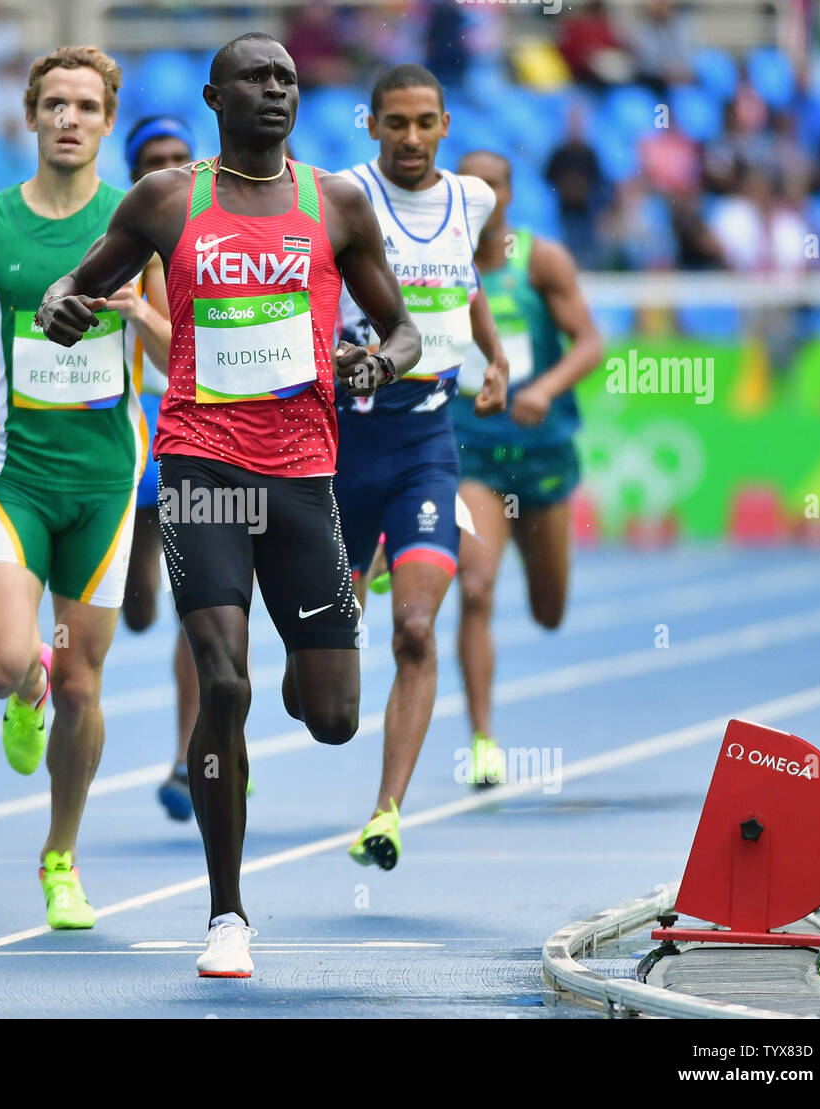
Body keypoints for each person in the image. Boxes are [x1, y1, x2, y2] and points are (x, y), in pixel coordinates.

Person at [36, 33, 478, 977]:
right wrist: (61, 305)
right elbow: (78, 285)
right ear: (214, 96)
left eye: (286, 79)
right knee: (223, 684)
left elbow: (403, 331)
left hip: (305, 476)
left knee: (331, 717)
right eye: (255, 78)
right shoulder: (168, 200)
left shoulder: (337, 203)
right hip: (202, 467)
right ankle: (227, 912)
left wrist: (375, 359)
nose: (275, 91)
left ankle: (301, 659)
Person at [0, 46, 165, 929]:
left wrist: (141, 313)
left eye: (85, 106)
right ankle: (27, 692)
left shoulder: (139, 225)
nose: (68, 118)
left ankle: (61, 856)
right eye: (54, 104)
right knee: (1, 663)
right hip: (14, 478)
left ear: (106, 120)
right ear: (30, 116)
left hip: (104, 483)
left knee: (87, 684)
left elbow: (182, 354)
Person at [330, 65, 509, 874]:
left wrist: (495, 356)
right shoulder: (340, 195)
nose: (409, 138)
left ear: (444, 125)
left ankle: (387, 811)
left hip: (426, 440)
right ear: (371, 125)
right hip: (338, 441)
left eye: (424, 123)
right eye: (394, 123)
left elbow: (465, 287)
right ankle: (335, 620)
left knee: (413, 629)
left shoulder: (472, 198)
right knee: (319, 685)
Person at [451, 150, 604, 787]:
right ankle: (483, 740)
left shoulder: (542, 260)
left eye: (495, 185)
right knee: (476, 587)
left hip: (541, 459)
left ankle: (540, 602)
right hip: (472, 456)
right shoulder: (437, 262)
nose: (484, 195)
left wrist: (544, 388)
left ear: (511, 194)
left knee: (549, 611)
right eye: (471, 186)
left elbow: (592, 342)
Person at [116, 115, 206, 821]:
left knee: (196, 605)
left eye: (181, 156)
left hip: (196, 431)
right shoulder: (119, 237)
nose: (170, 167)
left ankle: (191, 754)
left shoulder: (215, 237)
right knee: (139, 608)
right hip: (129, 430)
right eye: (155, 159)